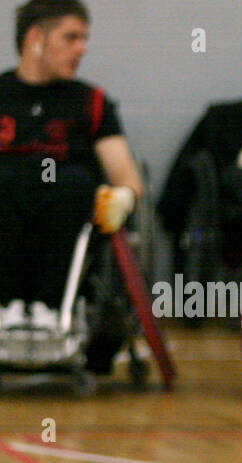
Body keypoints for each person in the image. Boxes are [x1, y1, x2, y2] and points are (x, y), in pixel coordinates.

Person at [0, 0, 143, 335]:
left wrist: (124, 198)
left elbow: (127, 179)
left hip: (66, 215)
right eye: (71, 37)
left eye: (85, 38)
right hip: (7, 212)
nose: (82, 48)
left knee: (76, 180)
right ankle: (6, 305)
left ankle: (51, 308)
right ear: (35, 37)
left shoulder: (90, 102)